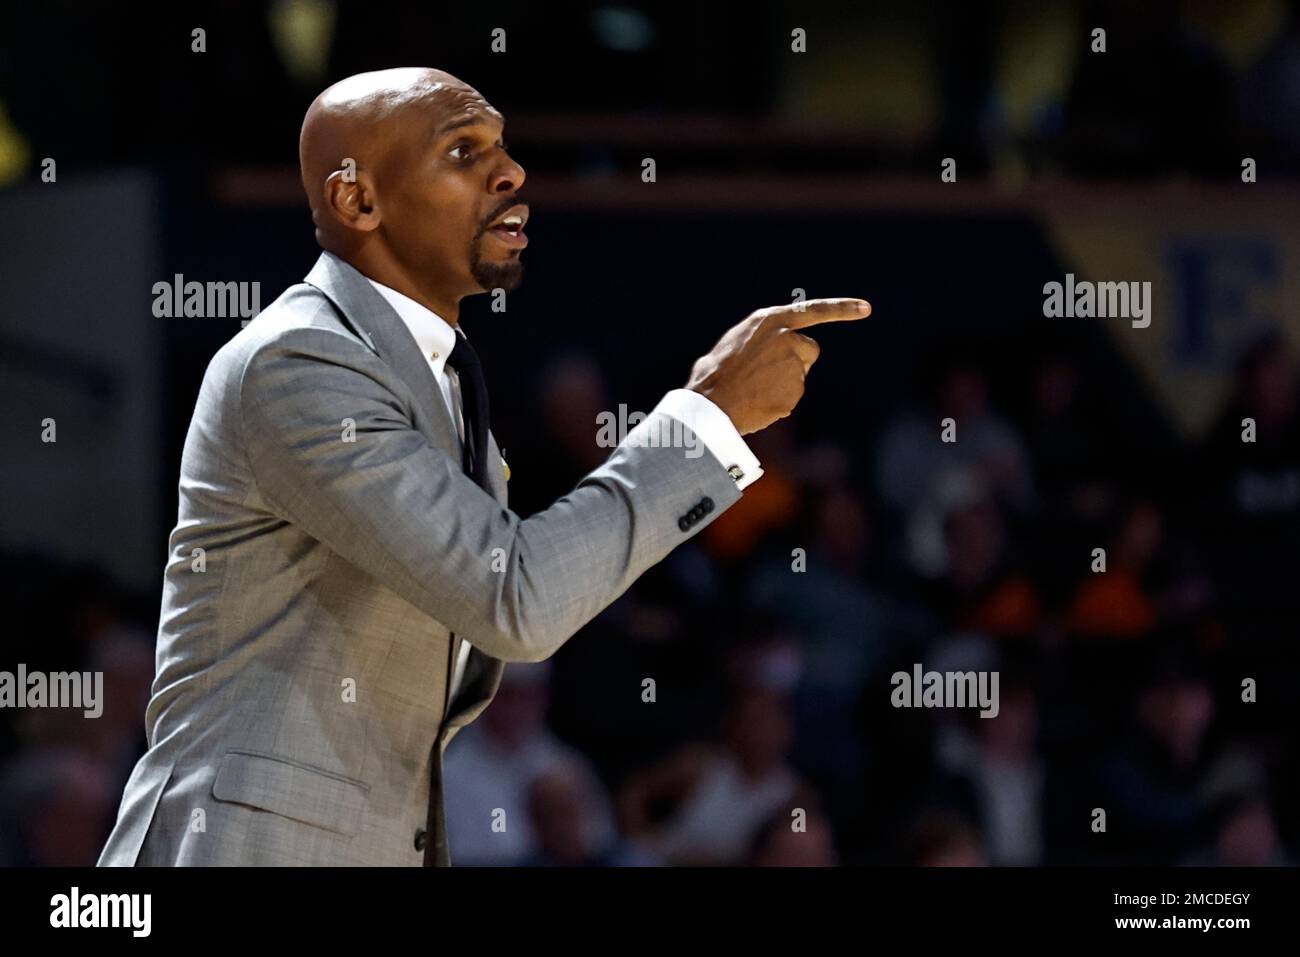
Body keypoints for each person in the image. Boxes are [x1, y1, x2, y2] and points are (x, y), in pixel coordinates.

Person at [97, 67, 870, 866]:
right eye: (463, 152)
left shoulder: (436, 377)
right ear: (357, 200)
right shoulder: (300, 362)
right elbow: (514, 595)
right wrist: (707, 418)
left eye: (502, 145)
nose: (511, 173)